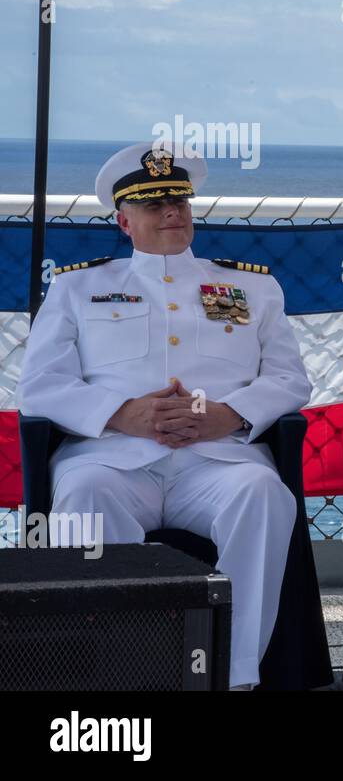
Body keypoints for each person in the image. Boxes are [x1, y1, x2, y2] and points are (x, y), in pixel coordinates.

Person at [19, 141, 311, 690]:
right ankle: (126, 676)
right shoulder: (78, 287)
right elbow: (39, 386)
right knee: (83, 498)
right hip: (111, 460)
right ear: (124, 221)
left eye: (178, 200)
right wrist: (121, 414)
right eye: (153, 205)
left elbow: (290, 377)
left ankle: (235, 675)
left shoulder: (253, 286)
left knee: (264, 495)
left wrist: (230, 415)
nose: (172, 212)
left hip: (217, 461)